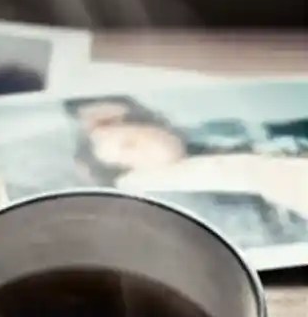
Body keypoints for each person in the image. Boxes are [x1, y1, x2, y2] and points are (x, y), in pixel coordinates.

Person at [66, 95, 308, 237]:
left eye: (132, 120)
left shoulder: (209, 136)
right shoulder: (172, 197)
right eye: (130, 145)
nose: (149, 136)